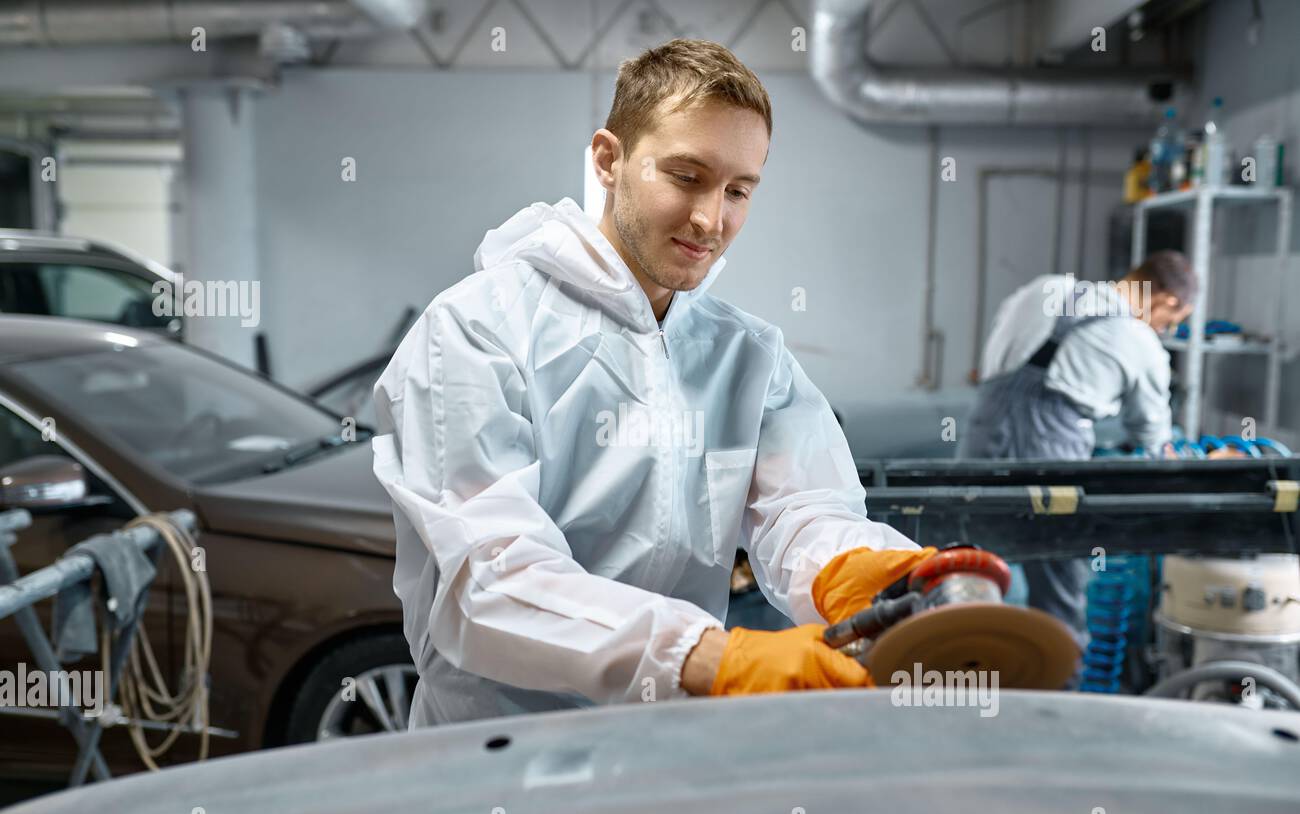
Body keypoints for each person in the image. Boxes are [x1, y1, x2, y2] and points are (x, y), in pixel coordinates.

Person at [371, 39, 933, 727]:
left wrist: (856, 569)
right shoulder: (475, 331)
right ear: (608, 160)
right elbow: (490, 579)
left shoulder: (746, 354)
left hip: (670, 738)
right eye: (687, 176)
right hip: (499, 751)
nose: (710, 219)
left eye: (738, 190)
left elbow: (802, 510)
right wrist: (706, 658)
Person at [959, 251, 1197, 646]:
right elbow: (1154, 443)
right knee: (1059, 572)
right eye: (1171, 322)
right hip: (1052, 445)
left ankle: (960, 660)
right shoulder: (1140, 342)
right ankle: (1057, 692)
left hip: (982, 425)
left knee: (967, 553)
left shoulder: (1043, 288)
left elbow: (995, 357)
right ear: (1167, 301)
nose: (1164, 329)